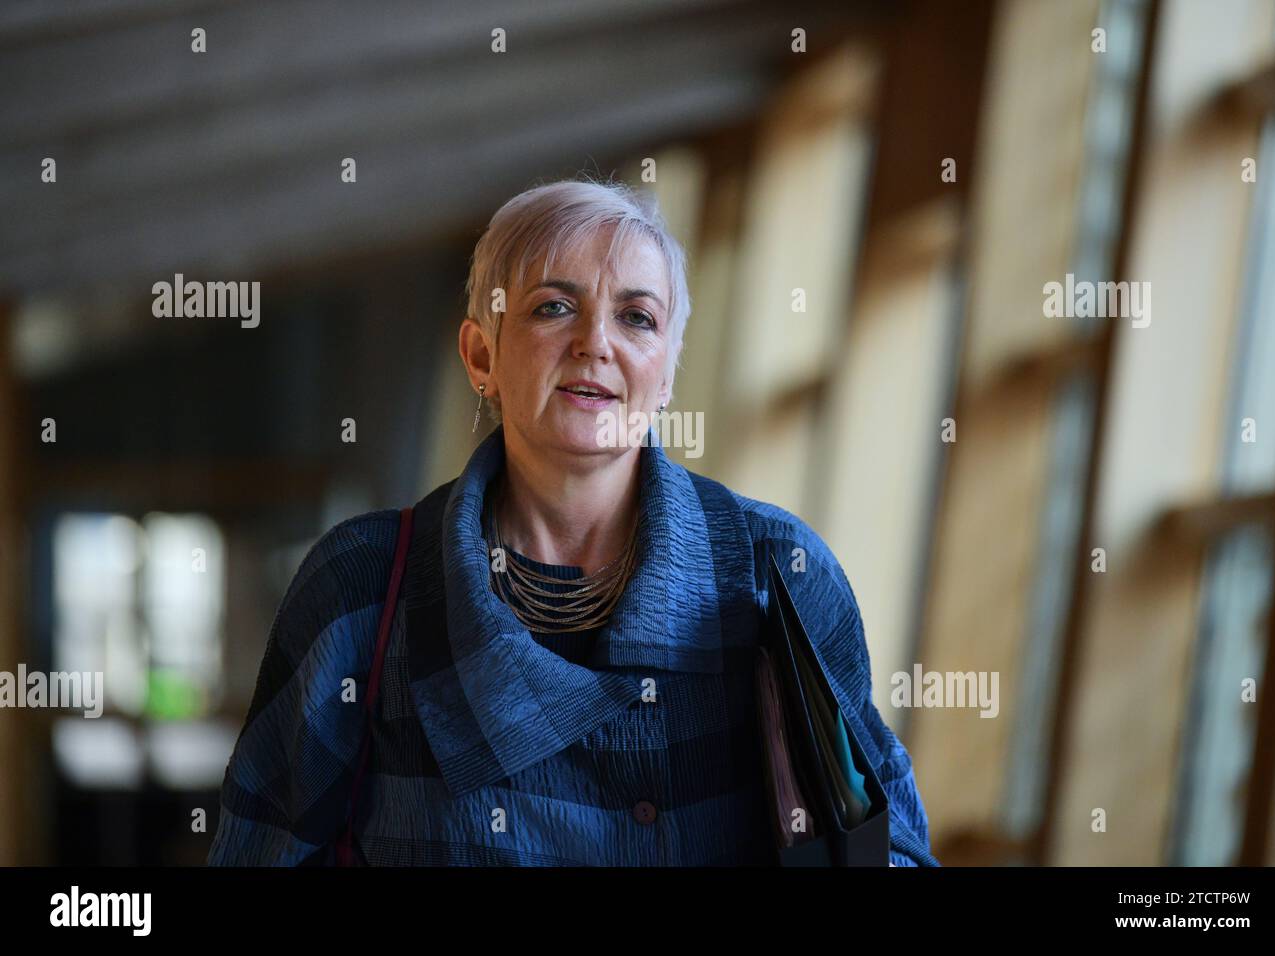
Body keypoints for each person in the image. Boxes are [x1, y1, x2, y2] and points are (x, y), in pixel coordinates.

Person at [207, 177, 938, 866]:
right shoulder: (363, 586)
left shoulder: (775, 570)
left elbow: (885, 842)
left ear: (668, 370)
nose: (597, 342)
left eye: (637, 318)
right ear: (480, 354)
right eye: (553, 307)